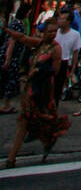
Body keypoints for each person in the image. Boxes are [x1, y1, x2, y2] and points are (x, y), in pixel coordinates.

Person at [4, 19, 70, 167]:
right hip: (30, 88)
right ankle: (12, 157)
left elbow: (55, 71)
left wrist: (38, 70)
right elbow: (23, 38)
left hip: (43, 90)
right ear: (44, 32)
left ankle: (43, 143)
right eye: (50, 31)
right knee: (24, 120)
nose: (52, 34)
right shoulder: (40, 44)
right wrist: (8, 31)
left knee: (39, 120)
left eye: (55, 31)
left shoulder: (56, 48)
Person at [0, 0, 32, 114]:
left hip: (10, 55)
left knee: (7, 79)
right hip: (11, 56)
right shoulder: (17, 24)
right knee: (10, 80)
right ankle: (6, 104)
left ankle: (6, 104)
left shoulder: (14, 23)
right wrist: (8, 58)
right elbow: (11, 42)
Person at [54, 6, 81, 102]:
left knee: (58, 89)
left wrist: (72, 70)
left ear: (69, 21)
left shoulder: (75, 35)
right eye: (59, 18)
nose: (60, 21)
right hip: (53, 62)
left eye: (62, 19)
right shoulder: (55, 32)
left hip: (65, 63)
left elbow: (75, 53)